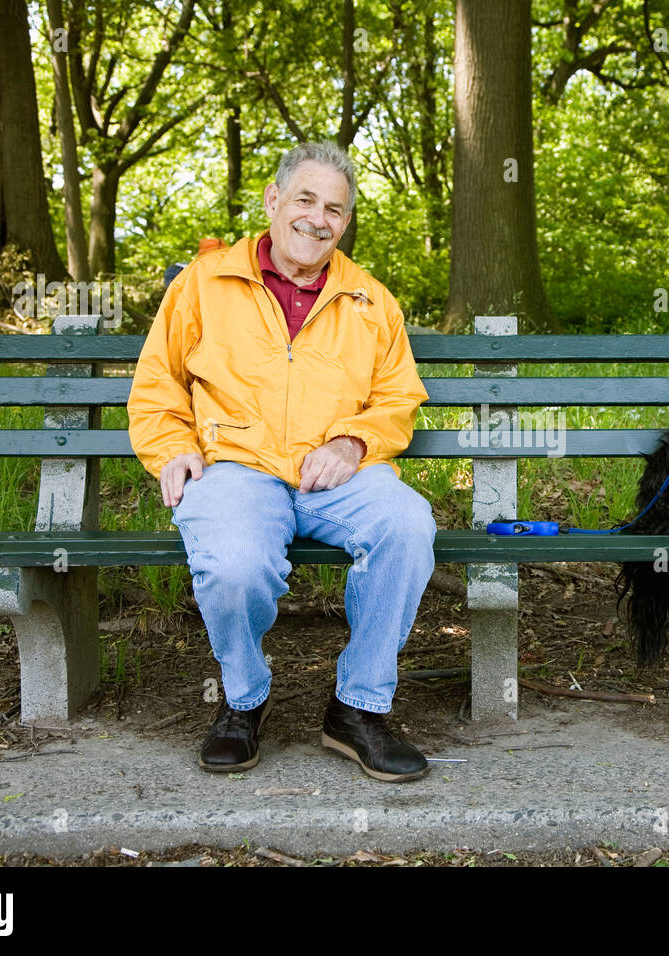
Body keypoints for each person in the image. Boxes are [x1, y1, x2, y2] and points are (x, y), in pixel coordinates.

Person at [127, 142, 437, 783]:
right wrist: (172, 447)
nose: (317, 219)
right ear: (273, 200)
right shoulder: (203, 283)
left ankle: (358, 708)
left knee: (406, 526)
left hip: (338, 472)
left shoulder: (371, 300)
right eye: (305, 199)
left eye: (334, 209)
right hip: (235, 466)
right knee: (235, 565)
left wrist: (353, 442)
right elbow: (158, 382)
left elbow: (398, 397)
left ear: (345, 223)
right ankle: (244, 700)